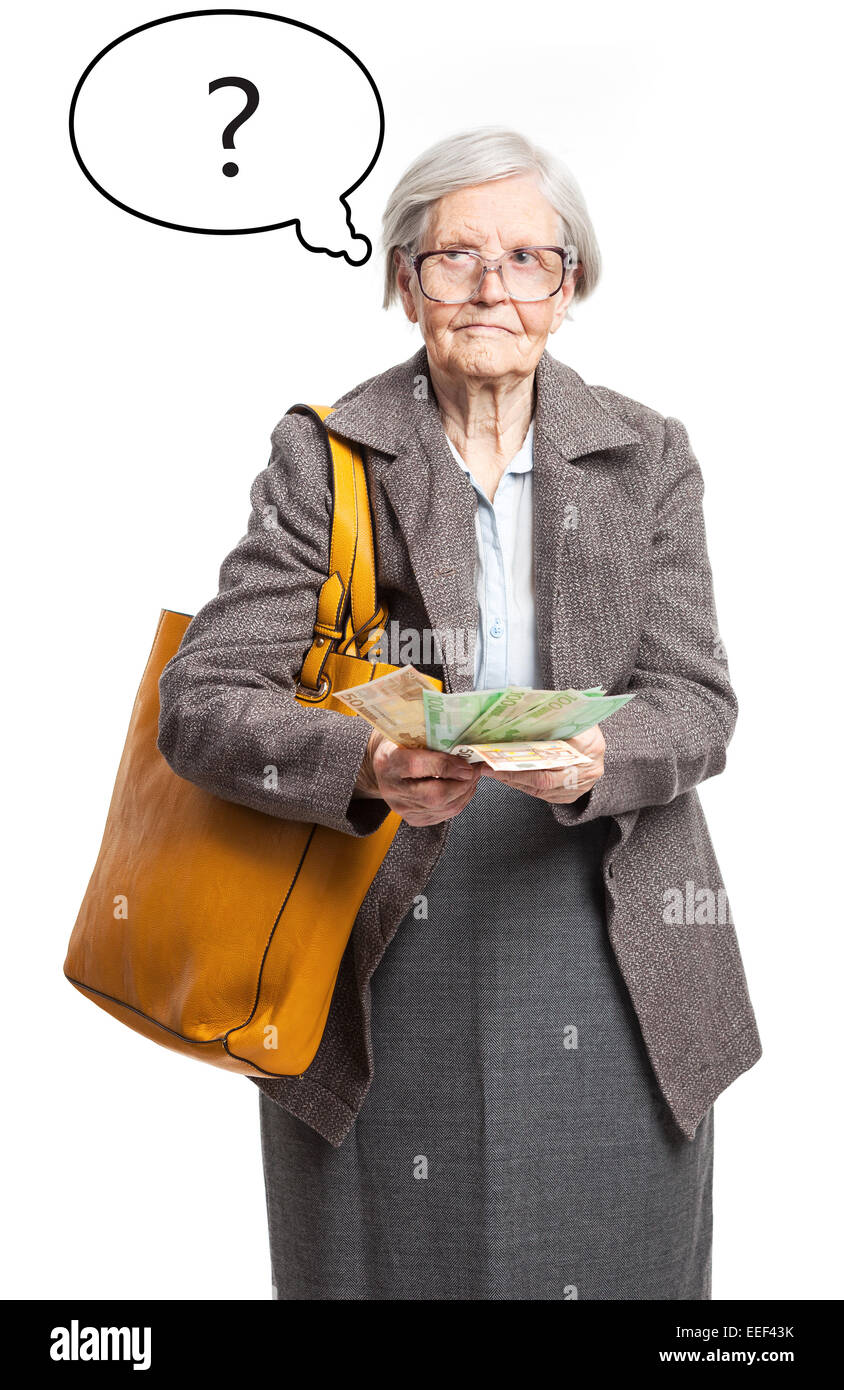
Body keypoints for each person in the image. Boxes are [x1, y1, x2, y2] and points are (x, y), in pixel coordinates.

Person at [157, 126, 761, 1300]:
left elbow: (697, 701)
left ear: (566, 288)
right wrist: (362, 761)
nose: (492, 285)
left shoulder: (647, 456)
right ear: (403, 280)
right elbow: (203, 700)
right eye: (454, 257)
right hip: (373, 922)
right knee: (384, 1264)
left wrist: (598, 755)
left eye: (528, 258)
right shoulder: (326, 453)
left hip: (610, 926)